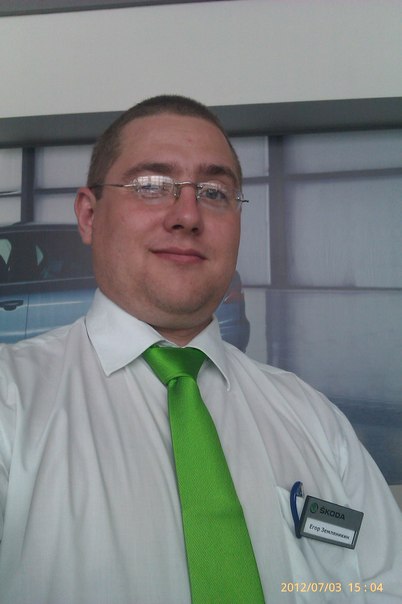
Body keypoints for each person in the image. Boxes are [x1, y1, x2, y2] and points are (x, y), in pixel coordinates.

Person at [0, 95, 401, 604]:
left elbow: (383, 583)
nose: (188, 215)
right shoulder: (11, 402)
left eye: (214, 192)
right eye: (151, 185)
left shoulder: (314, 419)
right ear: (89, 215)